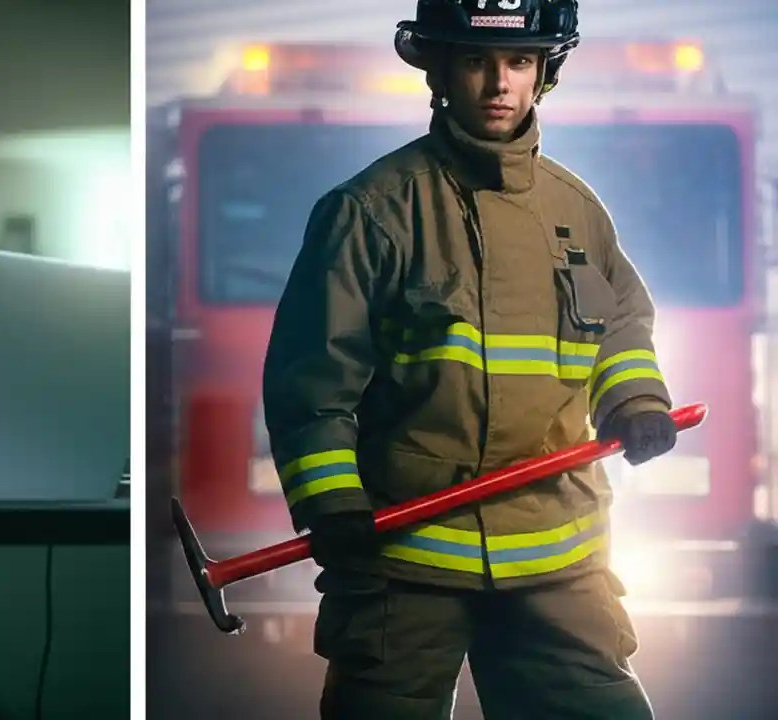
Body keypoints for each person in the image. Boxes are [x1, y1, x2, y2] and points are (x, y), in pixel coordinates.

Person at [261, 1, 678, 718]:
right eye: (477, 60)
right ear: (440, 69)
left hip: (559, 560)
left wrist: (635, 401)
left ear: (545, 72)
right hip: (405, 563)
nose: (498, 83)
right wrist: (330, 500)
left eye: (519, 62)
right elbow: (312, 382)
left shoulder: (576, 213)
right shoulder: (371, 211)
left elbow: (619, 328)